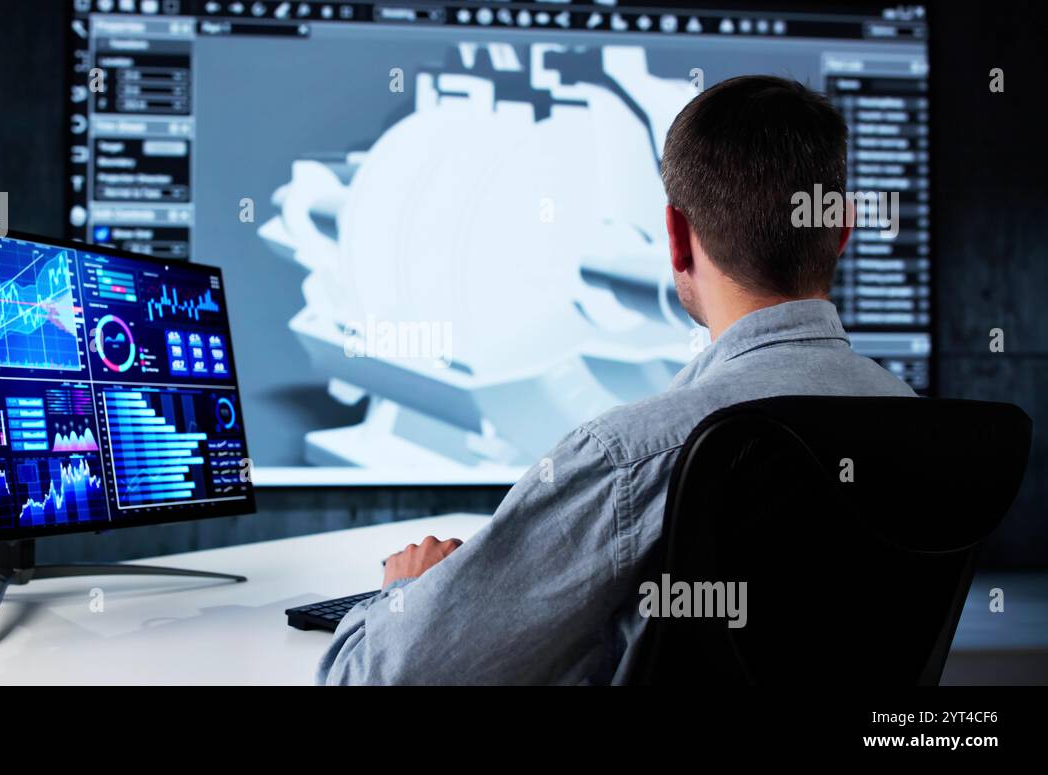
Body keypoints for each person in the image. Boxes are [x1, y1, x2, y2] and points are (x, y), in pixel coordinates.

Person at [317, 75, 916, 685]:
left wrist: (409, 597)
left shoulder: (631, 459)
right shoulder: (919, 427)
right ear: (842, 230)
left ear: (677, 238)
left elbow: (374, 677)